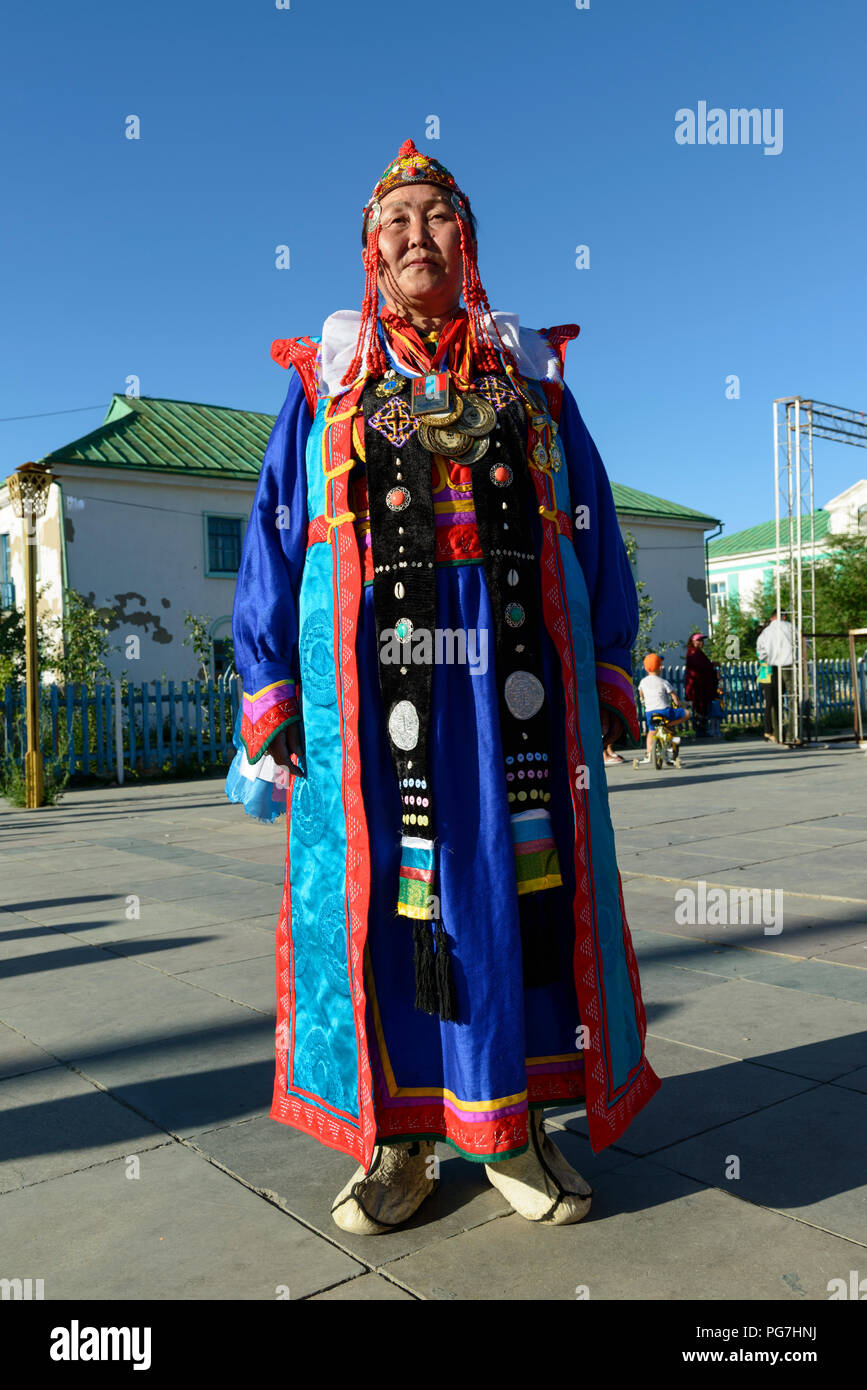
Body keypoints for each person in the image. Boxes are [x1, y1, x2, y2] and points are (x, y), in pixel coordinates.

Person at [225, 138, 660, 1234]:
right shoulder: (326, 389)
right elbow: (278, 537)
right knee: (397, 904)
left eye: (437, 217)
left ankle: (514, 1126)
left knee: (522, 888)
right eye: (397, 221)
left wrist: (610, 662)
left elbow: (595, 526)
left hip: (515, 687)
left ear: (468, 241)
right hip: (378, 701)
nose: (417, 235)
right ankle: (403, 1139)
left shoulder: (529, 385)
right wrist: (269, 683)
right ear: (371, 250)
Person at [636, 653, 688, 763]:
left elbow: (641, 693)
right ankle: (668, 724)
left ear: (645, 668)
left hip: (650, 713)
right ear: (660, 668)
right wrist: (677, 702)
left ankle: (648, 752)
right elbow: (674, 696)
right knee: (687, 713)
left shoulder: (643, 682)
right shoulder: (664, 682)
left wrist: (643, 700)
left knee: (651, 732)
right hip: (664, 711)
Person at [756, 610, 798, 744]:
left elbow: (760, 652)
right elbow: (804, 643)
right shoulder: (791, 627)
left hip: (772, 667)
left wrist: (768, 659)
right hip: (790, 665)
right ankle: (793, 734)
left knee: (775, 701)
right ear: (784, 616)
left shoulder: (766, 632)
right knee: (793, 698)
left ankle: (779, 734)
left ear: (772, 617)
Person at [685, 631, 717, 738]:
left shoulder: (697, 652)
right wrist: (713, 665)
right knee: (700, 708)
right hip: (698, 687)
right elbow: (703, 667)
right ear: (692, 642)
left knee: (703, 708)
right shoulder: (693, 653)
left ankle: (702, 729)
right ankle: (700, 730)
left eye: (702, 640)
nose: (701, 642)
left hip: (702, 686)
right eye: (698, 640)